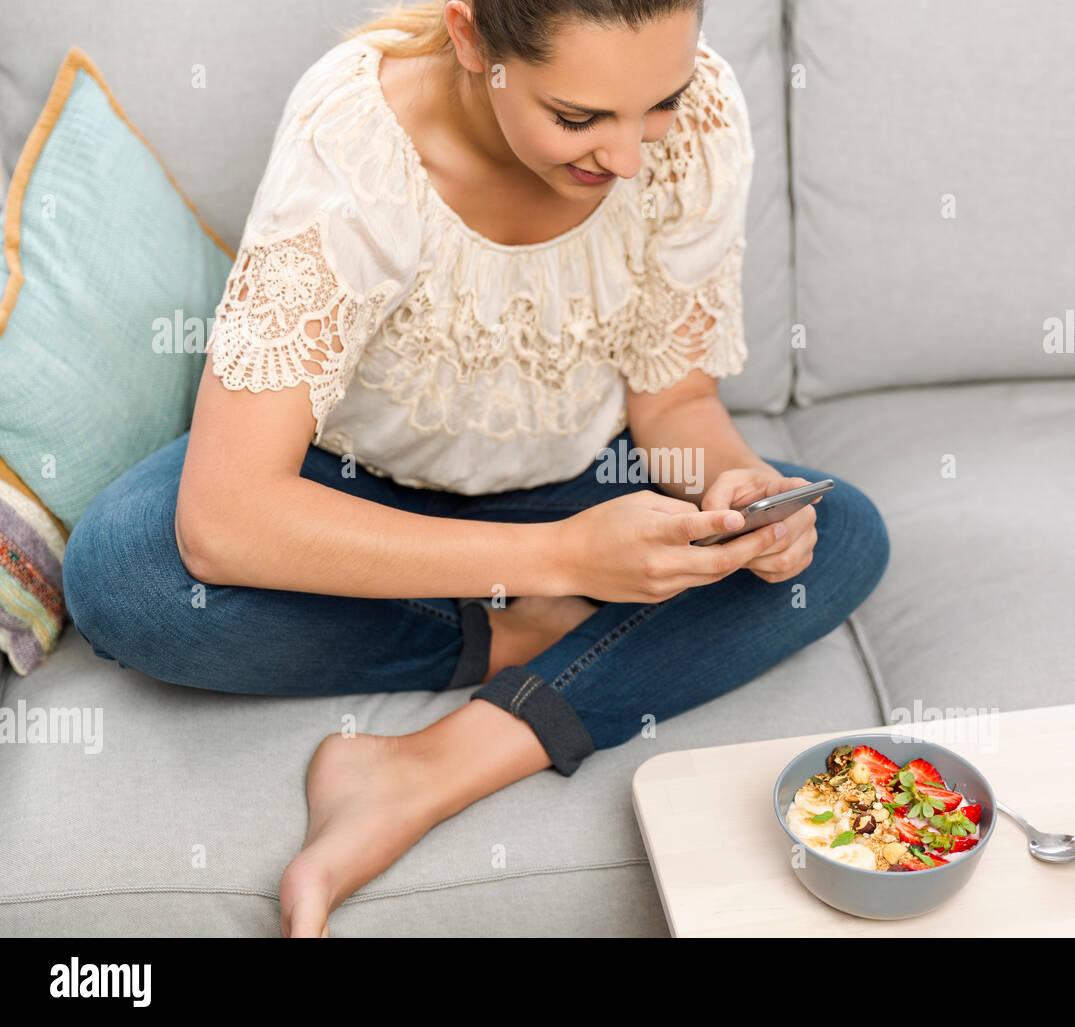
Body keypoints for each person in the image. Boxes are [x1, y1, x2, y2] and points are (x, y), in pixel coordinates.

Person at [62, 0, 889, 937]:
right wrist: (566, 562)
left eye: (661, 100)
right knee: (128, 573)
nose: (627, 158)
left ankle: (430, 765)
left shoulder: (696, 127)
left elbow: (674, 404)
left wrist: (734, 488)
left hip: (586, 480)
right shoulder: (355, 142)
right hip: (354, 487)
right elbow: (224, 520)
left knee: (842, 533)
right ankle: (524, 629)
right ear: (470, 38)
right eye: (577, 118)